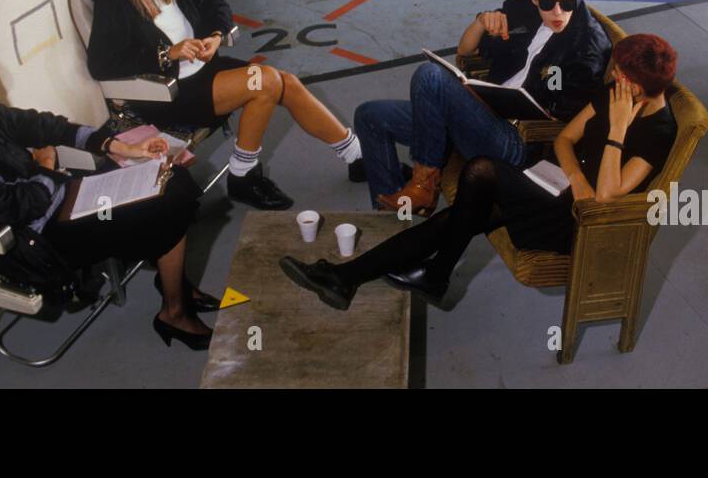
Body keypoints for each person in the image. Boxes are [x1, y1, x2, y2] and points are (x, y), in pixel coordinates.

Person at [281, 34, 680, 309]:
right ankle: (347, 277)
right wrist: (575, 176)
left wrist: (617, 130)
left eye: (619, 76)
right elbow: (563, 141)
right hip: (552, 181)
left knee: (481, 172)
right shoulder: (613, 94)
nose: (611, 78)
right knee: (458, 217)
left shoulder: (659, 132)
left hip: (574, 219)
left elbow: (607, 197)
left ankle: (429, 273)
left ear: (635, 86)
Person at [0, 45, 218, 350]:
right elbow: (17, 205)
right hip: (40, 237)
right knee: (163, 205)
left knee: (171, 179)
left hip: (63, 197)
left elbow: (44, 126)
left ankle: (174, 285)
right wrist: (46, 166)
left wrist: (122, 147)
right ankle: (173, 312)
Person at [85, 0, 361, 211]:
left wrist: (215, 36)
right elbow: (101, 62)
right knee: (265, 81)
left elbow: (213, 2)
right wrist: (167, 53)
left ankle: (357, 157)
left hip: (204, 71)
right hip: (171, 94)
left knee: (288, 83)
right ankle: (242, 175)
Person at [352, 0, 610, 215]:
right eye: (547, 4)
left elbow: (567, 120)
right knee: (370, 116)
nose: (558, 12)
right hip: (479, 115)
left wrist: (517, 102)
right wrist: (480, 22)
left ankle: (423, 186)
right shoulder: (522, 9)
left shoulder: (586, 48)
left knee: (430, 76)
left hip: (515, 140)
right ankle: (392, 219)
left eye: (566, 4)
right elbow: (465, 52)